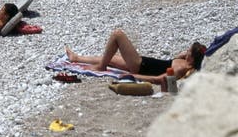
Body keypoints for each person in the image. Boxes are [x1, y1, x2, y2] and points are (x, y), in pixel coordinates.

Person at [65, 29, 206, 84]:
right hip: (142, 63)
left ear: (192, 57)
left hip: (140, 67)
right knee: (111, 58)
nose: (186, 51)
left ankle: (101, 67)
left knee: (117, 35)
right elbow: (174, 60)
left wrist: (134, 76)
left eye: (188, 51)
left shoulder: (181, 69)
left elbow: (160, 79)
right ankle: (76, 58)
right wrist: (185, 54)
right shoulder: (185, 61)